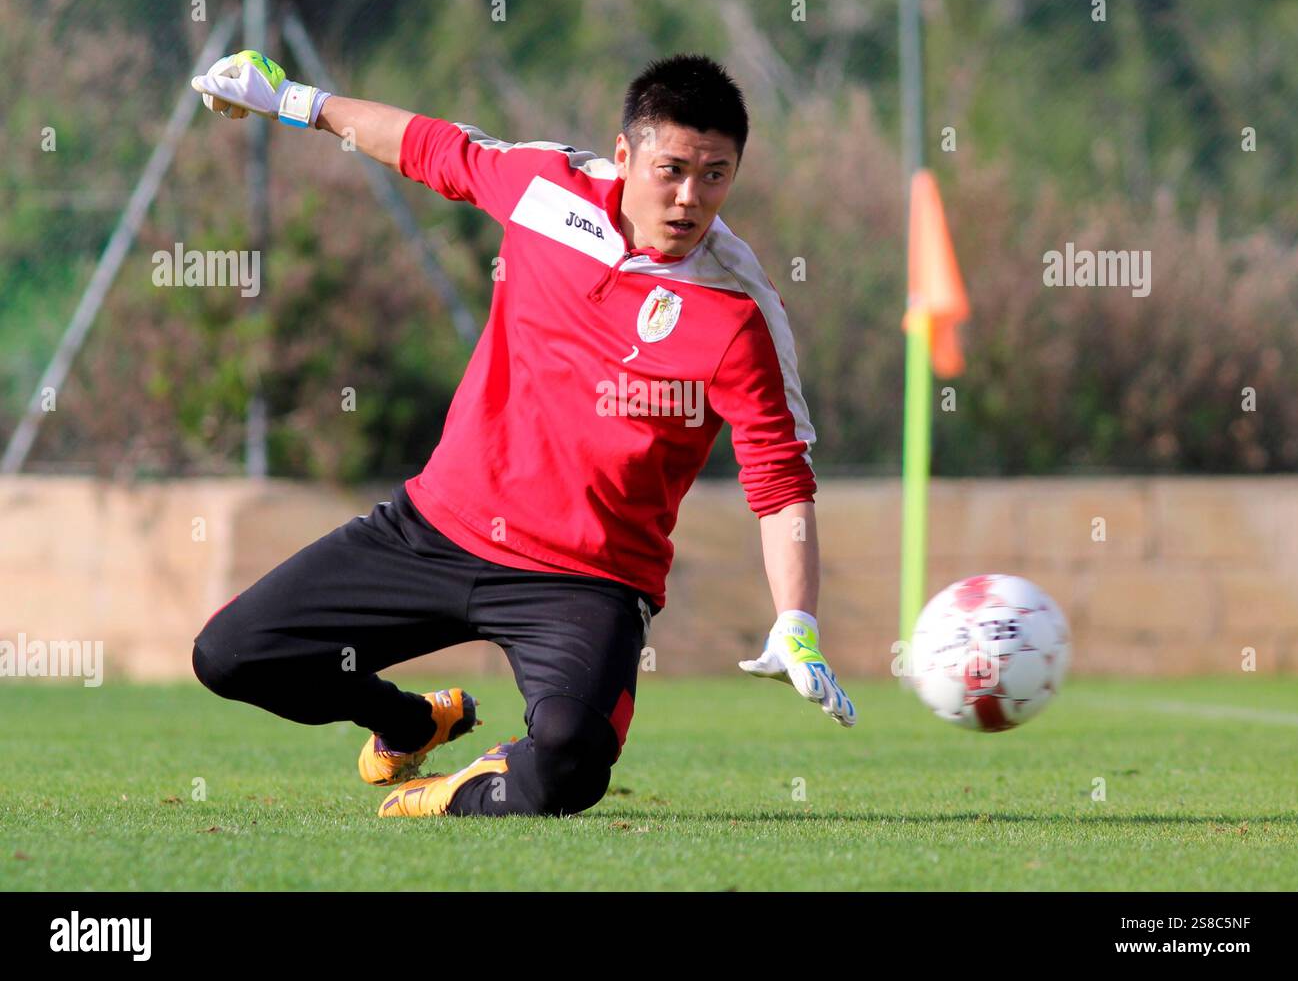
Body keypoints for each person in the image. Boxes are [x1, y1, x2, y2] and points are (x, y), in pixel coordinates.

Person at [188, 49, 856, 819]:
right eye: (670, 169)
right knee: (232, 655)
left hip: (585, 582)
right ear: (623, 156)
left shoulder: (740, 311)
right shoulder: (546, 189)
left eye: (715, 175)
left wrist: (797, 624)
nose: (689, 198)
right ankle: (408, 722)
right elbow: (429, 148)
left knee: (571, 761)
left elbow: (780, 482)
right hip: (437, 530)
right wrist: (294, 99)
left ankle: (463, 792)